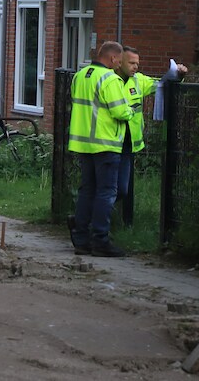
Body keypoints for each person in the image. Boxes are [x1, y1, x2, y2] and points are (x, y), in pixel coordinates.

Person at [68, 41, 136, 257]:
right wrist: (131, 111)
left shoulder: (80, 76)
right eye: (119, 60)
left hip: (83, 143)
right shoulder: (110, 79)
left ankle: (81, 239)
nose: (119, 64)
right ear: (113, 59)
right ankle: (101, 240)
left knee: (87, 191)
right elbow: (120, 112)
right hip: (106, 144)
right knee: (107, 193)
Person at [114, 47, 188, 204]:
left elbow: (160, 85)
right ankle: (88, 220)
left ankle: (87, 217)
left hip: (128, 145)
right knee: (106, 187)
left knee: (121, 189)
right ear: (120, 62)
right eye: (131, 63)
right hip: (108, 143)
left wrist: (178, 75)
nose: (135, 66)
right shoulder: (109, 81)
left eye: (137, 63)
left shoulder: (138, 80)